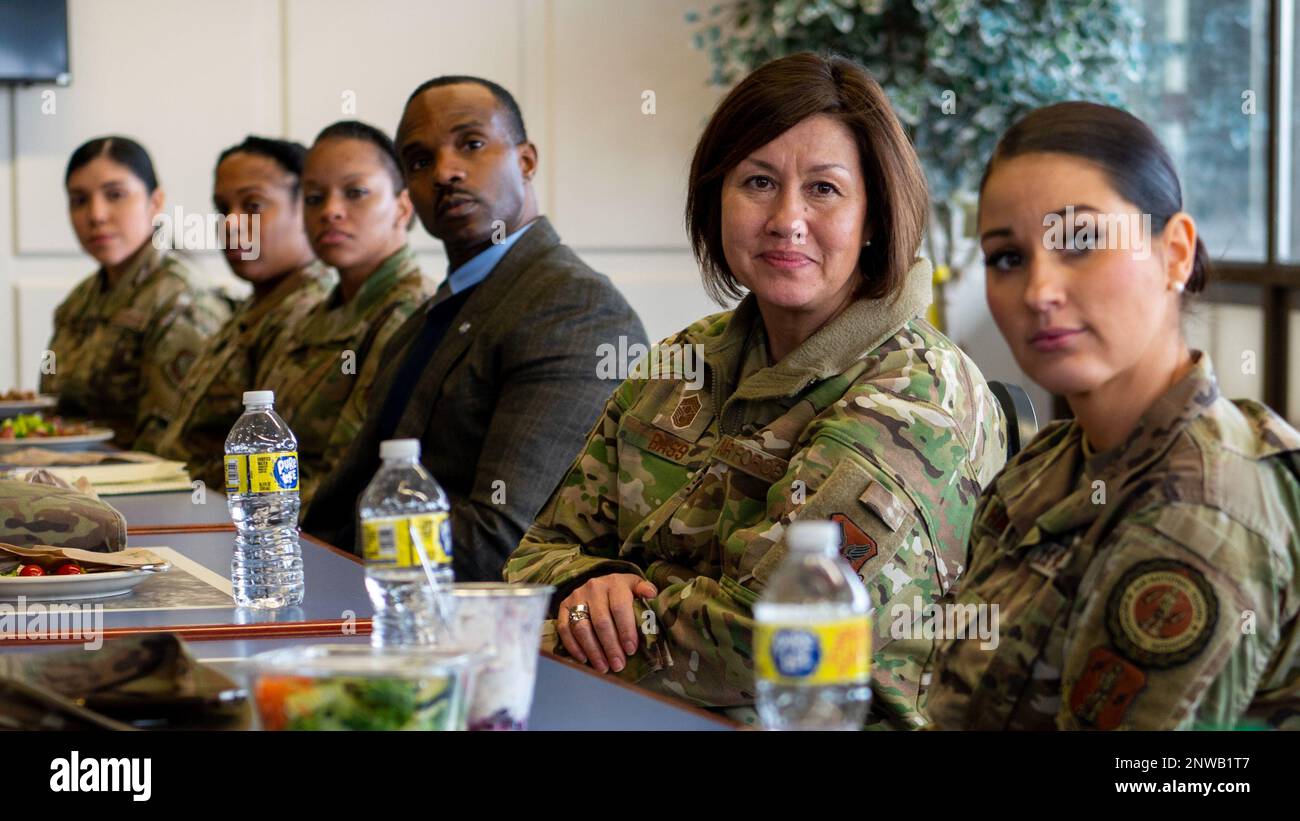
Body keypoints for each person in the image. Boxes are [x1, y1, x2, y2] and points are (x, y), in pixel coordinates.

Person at [502, 53, 1007, 729]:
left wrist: (587, 621)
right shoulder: (687, 358)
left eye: (824, 190)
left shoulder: (912, 397)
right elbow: (533, 559)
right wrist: (586, 588)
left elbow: (767, 643)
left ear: (876, 217)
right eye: (758, 182)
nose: (786, 218)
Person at [925, 102, 1300, 730]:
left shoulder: (1202, 509)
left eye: (1081, 242)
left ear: (1175, 254)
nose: (1040, 291)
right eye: (1007, 257)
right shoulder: (1054, 461)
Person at [302, 76, 647, 581]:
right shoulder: (440, 308)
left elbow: (503, 542)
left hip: (468, 630)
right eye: (420, 161)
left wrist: (338, 554)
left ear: (526, 160)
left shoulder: (574, 308)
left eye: (471, 144)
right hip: (365, 598)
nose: (445, 172)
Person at [256, 121, 433, 505]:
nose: (331, 211)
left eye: (355, 193)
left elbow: (346, 476)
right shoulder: (318, 312)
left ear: (402, 207)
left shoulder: (409, 311)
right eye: (314, 197)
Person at [152, 136, 335, 488]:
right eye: (222, 209)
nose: (232, 224)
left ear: (307, 208)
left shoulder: (312, 312)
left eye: (253, 206)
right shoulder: (255, 306)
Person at [42, 136, 229, 449]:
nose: (96, 214)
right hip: (75, 478)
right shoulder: (80, 300)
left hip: (143, 488)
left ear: (155, 203)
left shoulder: (183, 300)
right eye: (79, 200)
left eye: (115, 195)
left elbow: (174, 444)